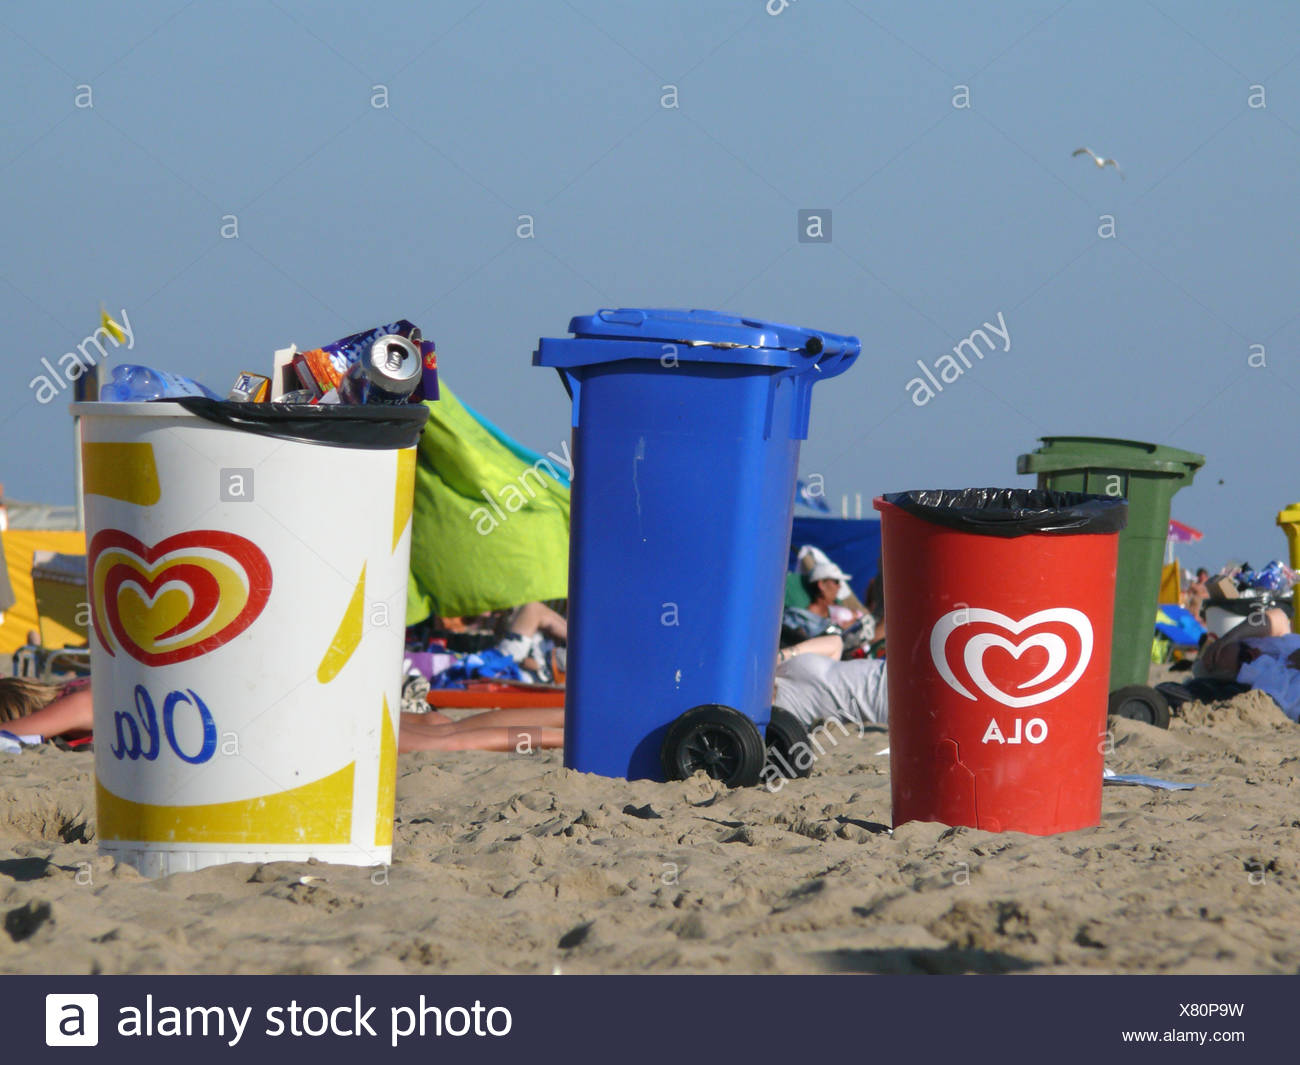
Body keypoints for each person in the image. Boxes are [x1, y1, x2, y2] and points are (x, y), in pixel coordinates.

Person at [0, 676, 562, 754]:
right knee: (442, 725)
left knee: (447, 743)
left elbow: (11, 737)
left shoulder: (76, 701)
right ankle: (576, 715)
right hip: (268, 696)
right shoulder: (90, 681)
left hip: (273, 720)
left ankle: (572, 735)